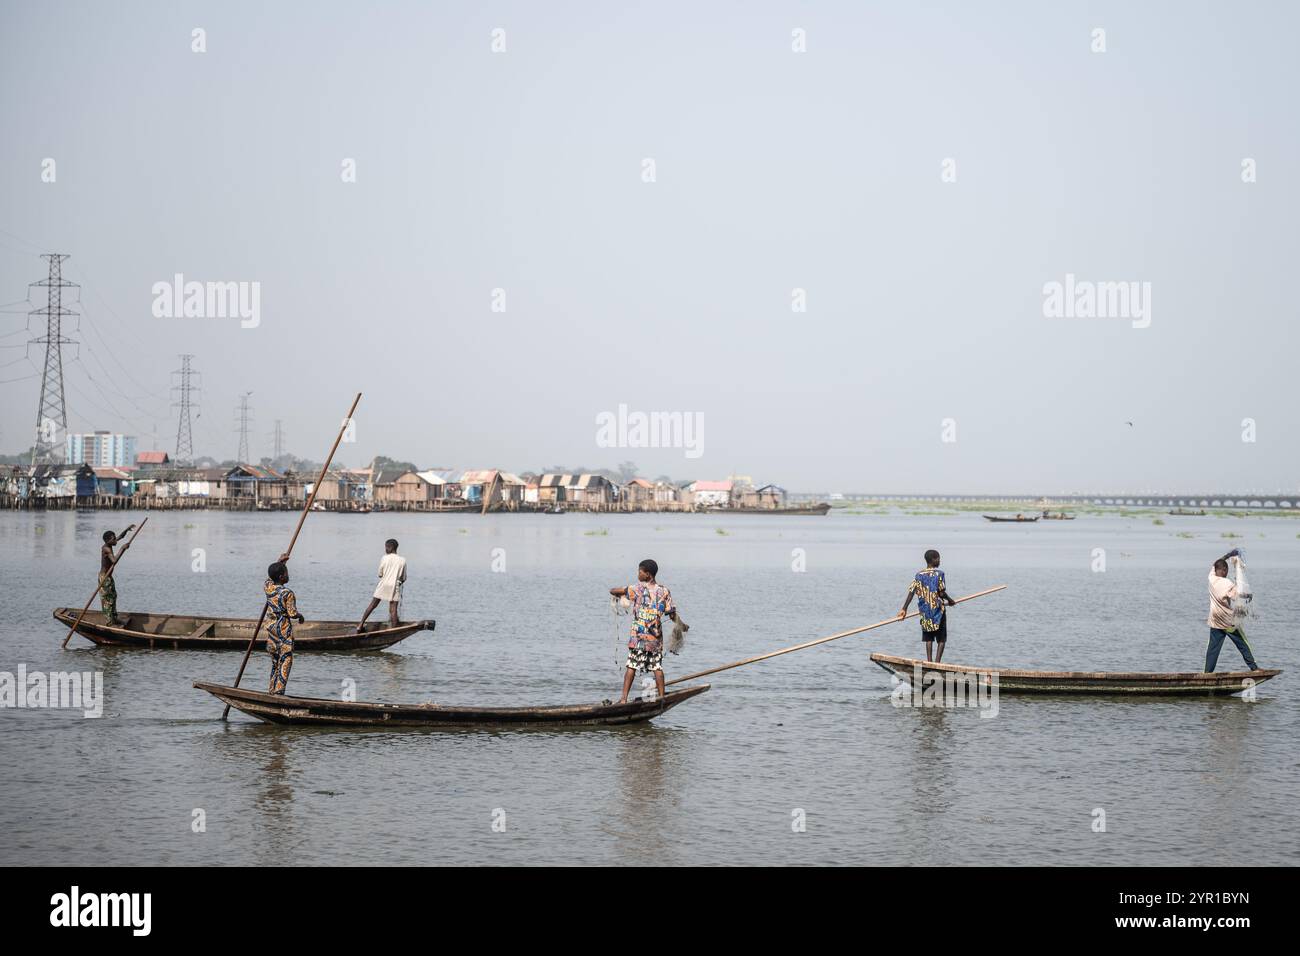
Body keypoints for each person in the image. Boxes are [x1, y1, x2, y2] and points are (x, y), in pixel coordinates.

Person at [610, 558, 678, 703]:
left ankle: (623, 699)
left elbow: (614, 590)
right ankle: (661, 697)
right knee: (657, 667)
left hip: (638, 638)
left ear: (648, 575)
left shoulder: (637, 589)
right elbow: (672, 615)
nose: (638, 574)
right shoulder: (664, 591)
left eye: (640, 571)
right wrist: (682, 625)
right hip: (655, 639)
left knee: (631, 666)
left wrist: (619, 593)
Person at [1205, 549, 1259, 672]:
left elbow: (1216, 563)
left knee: (1212, 648)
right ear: (1224, 571)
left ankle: (1207, 673)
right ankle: (1254, 668)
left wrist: (1228, 555)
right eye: (1226, 570)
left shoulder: (1211, 578)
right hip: (1227, 621)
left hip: (1214, 619)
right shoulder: (1227, 584)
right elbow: (1239, 595)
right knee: (1242, 643)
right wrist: (1249, 595)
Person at [898, 549, 956, 663]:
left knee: (928, 638)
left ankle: (929, 662)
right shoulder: (939, 574)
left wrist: (904, 608)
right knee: (941, 638)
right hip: (938, 610)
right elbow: (941, 593)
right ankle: (937, 662)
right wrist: (950, 600)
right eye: (938, 558)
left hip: (925, 611)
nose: (939, 560)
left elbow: (911, 592)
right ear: (933, 559)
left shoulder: (919, 575)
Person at [264, 552, 305, 695]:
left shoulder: (268, 588)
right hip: (283, 631)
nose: (288, 575)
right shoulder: (288, 593)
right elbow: (292, 613)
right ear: (282, 577)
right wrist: (301, 617)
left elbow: (269, 579)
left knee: (275, 662)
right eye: (286, 573)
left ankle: (271, 690)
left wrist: (280, 562)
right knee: (286, 660)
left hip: (271, 630)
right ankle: (279, 691)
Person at [358, 539, 406, 631]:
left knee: (372, 605)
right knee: (393, 610)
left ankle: (360, 625)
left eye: (386, 547)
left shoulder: (384, 558)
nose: (385, 549)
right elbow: (403, 578)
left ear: (391, 547)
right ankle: (394, 630)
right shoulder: (402, 560)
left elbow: (380, 574)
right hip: (395, 586)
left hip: (383, 585)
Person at [98, 523, 136, 626]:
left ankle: (114, 618)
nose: (116, 540)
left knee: (113, 596)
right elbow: (114, 560)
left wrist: (127, 530)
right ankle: (109, 622)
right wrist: (122, 548)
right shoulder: (106, 548)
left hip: (109, 577)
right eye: (113, 539)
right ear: (108, 540)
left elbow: (120, 536)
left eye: (115, 538)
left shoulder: (110, 544)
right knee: (108, 599)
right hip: (104, 577)